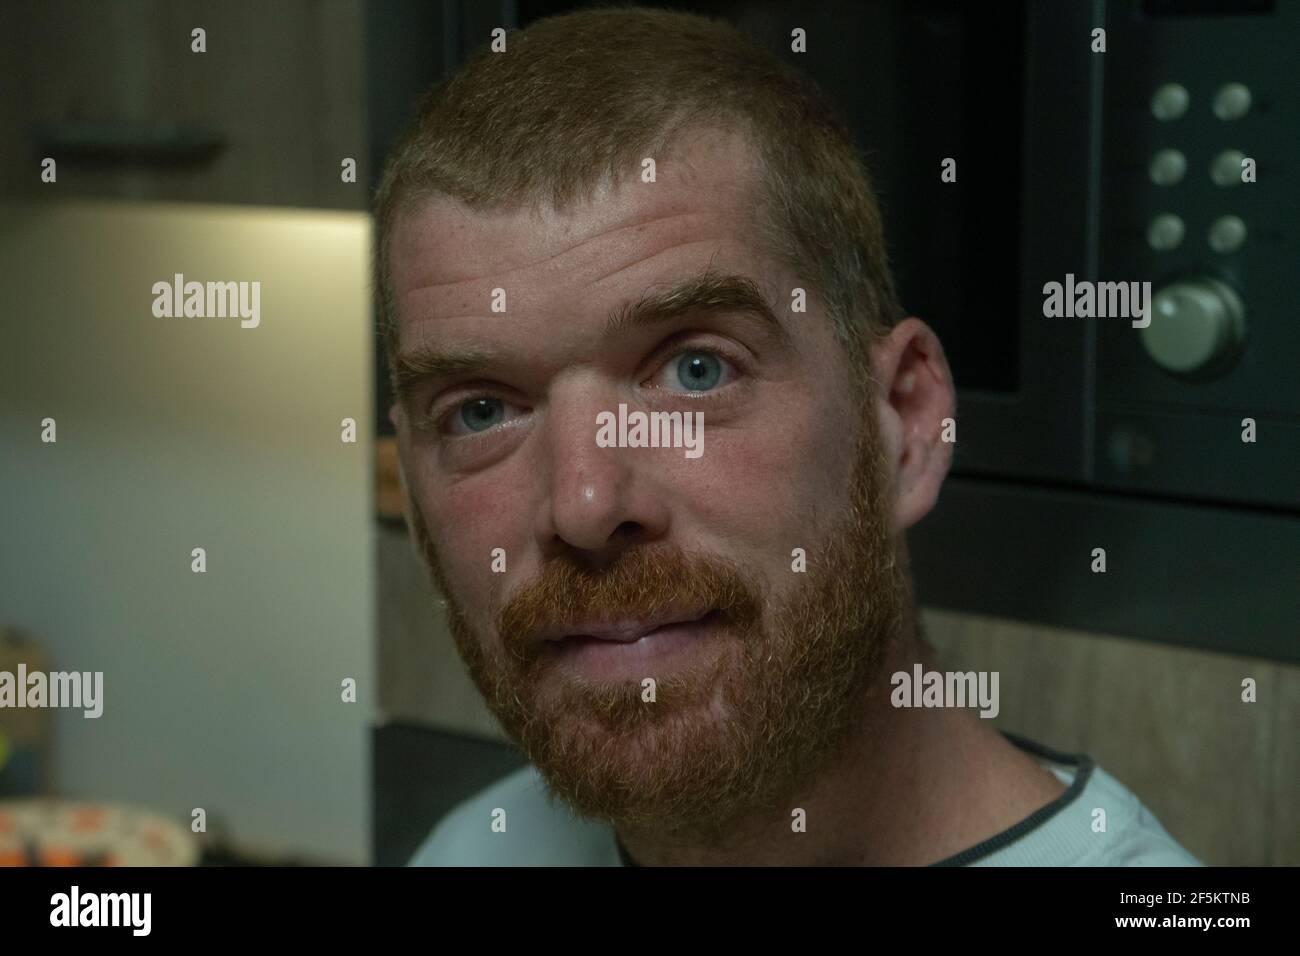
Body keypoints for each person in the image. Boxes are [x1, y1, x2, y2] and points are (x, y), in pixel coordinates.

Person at [374, 6, 1200, 867]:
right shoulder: (471, 851)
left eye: (697, 369)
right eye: (480, 412)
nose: (584, 504)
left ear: (906, 426)